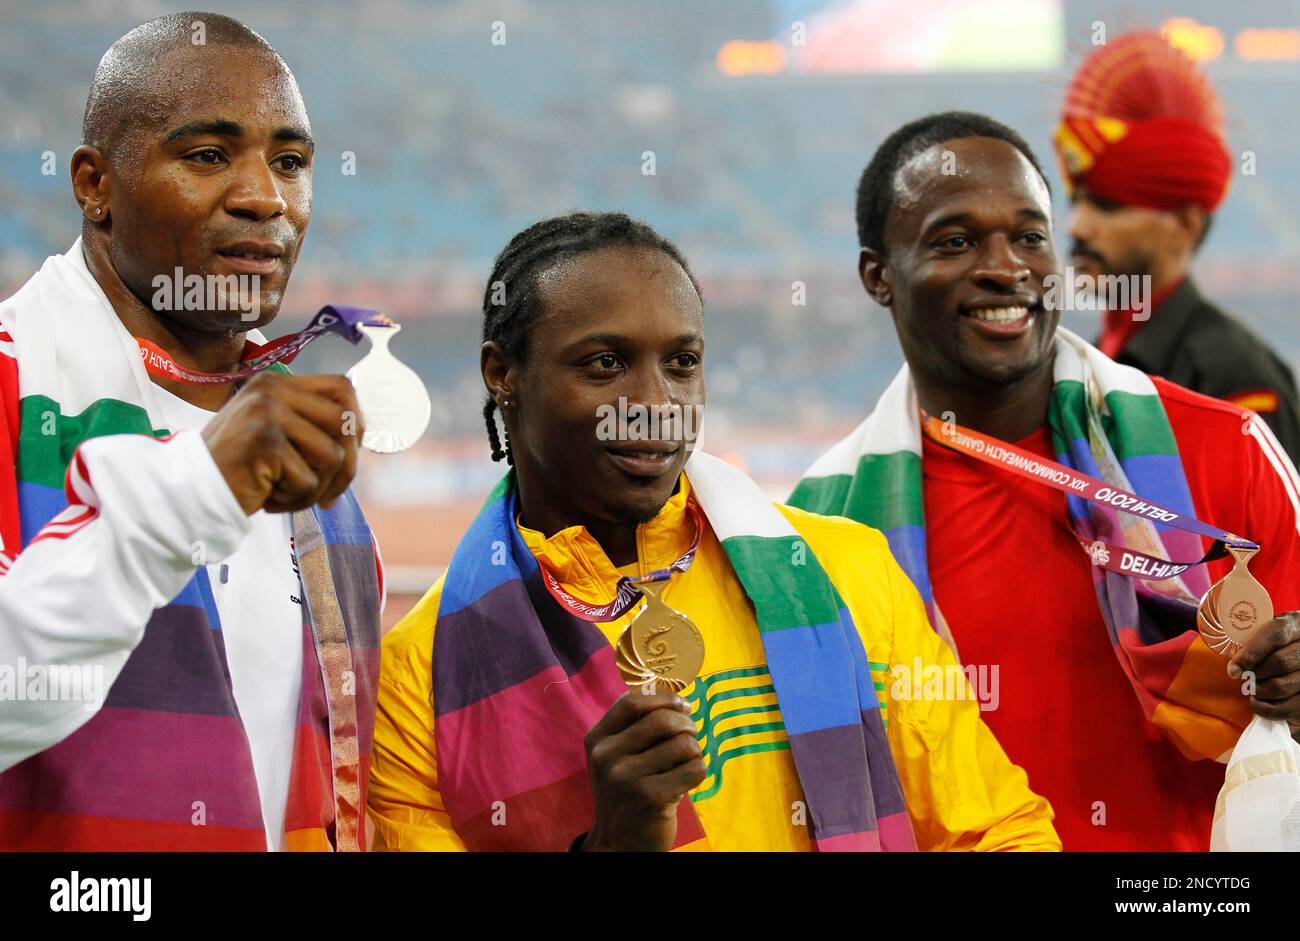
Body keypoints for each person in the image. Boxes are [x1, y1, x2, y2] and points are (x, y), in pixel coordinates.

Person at [368, 211, 1059, 852]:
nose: (656, 405)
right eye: (605, 364)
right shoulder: (417, 676)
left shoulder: (848, 571)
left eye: (682, 362)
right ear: (502, 374)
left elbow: (998, 830)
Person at [791, 111, 1300, 851]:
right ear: (879, 276)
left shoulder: (1225, 448)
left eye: (1030, 236)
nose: (1008, 266)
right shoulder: (815, 529)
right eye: (955, 241)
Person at [0, 13, 382, 851]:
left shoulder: (297, 428)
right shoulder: (9, 380)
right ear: (95, 183)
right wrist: (196, 492)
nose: (264, 196)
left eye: (290, 161)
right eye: (208, 155)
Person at [1055, 30, 1300, 460]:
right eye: (1078, 201)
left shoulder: (1234, 378)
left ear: (1183, 225)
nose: (1078, 225)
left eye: (1108, 206)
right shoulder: (1098, 356)